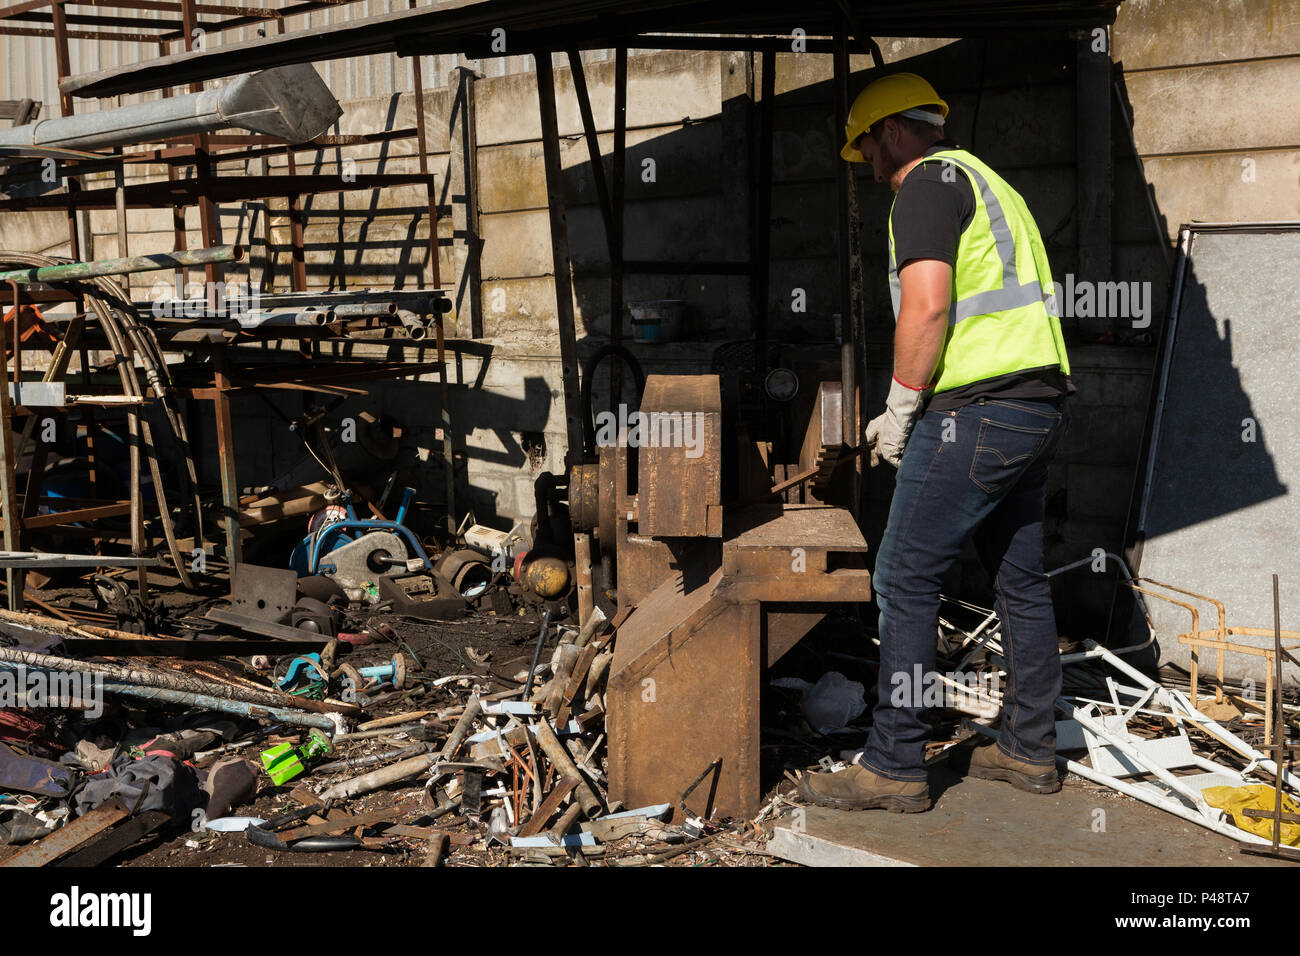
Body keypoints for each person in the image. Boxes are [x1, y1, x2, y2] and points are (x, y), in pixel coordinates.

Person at [798, 72, 1074, 812]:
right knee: (1018, 579)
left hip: (975, 409)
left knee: (904, 579)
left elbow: (926, 307)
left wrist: (900, 407)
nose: (872, 170)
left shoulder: (924, 185)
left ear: (891, 132)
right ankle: (1027, 749)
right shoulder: (993, 183)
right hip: (1034, 402)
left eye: (869, 151)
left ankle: (891, 765)